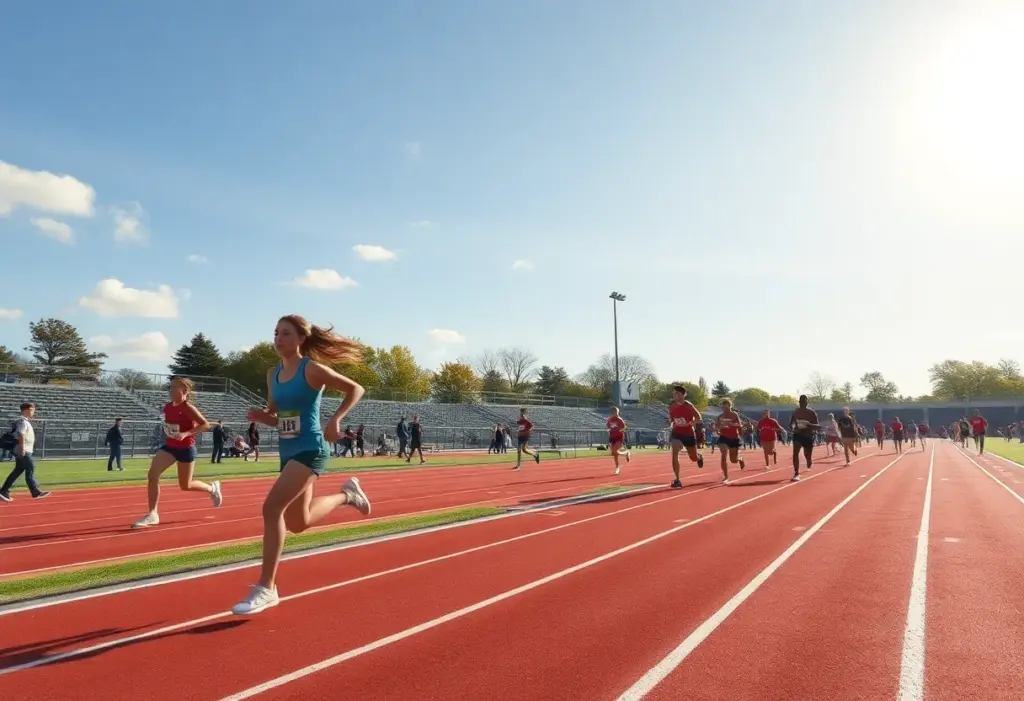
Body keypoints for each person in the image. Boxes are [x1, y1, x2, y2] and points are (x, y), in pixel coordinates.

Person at [232, 315, 371, 616]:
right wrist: (261, 416)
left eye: (285, 333)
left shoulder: (312, 369)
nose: (278, 338)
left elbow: (355, 389)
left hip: (311, 449)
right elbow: (278, 417)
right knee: (299, 522)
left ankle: (267, 587)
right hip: (289, 450)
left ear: (300, 339)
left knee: (271, 509)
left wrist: (336, 419)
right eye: (276, 333)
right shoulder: (273, 374)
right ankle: (347, 495)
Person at [132, 377, 221, 528]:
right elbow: (171, 425)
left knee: (185, 485)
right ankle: (153, 514)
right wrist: (169, 431)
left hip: (186, 448)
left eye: (174, 387)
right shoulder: (167, 407)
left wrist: (186, 433)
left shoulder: (188, 408)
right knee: (152, 475)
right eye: (170, 387)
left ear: (184, 391)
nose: (170, 390)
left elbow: (205, 425)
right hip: (170, 447)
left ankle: (212, 488)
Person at [0, 402, 50, 502]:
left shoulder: (25, 421)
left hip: (25, 450)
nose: (34, 412)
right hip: (23, 450)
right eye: (33, 409)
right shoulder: (22, 422)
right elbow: (21, 435)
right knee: (30, 468)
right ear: (27, 410)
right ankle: (35, 491)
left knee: (17, 471)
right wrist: (22, 448)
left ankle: (3, 491)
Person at [668, 385, 704, 488]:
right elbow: (671, 418)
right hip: (677, 432)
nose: (675, 395)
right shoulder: (672, 406)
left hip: (688, 433)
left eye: (678, 393)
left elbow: (698, 418)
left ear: (683, 395)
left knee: (693, 458)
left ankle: (699, 457)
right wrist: (670, 421)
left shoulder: (688, 405)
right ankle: (677, 479)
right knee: (674, 451)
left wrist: (690, 423)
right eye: (674, 393)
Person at [789, 395, 820, 482]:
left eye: (804, 402)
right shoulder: (796, 412)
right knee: (795, 453)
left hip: (808, 436)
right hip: (798, 435)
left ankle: (809, 459)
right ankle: (796, 473)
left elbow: (818, 426)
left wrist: (808, 425)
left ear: (807, 403)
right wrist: (792, 427)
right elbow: (790, 423)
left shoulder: (811, 412)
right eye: (801, 402)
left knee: (808, 455)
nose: (803, 404)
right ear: (799, 403)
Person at [714, 399, 745, 484]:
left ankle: (740, 459)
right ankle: (726, 476)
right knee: (723, 454)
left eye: (726, 405)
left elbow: (739, 425)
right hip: (723, 437)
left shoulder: (734, 415)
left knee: (733, 460)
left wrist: (732, 425)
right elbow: (716, 426)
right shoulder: (720, 416)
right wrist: (718, 427)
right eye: (723, 406)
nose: (724, 407)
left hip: (734, 438)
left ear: (730, 406)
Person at [606, 407, 631, 475]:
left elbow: (624, 427)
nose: (616, 413)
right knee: (614, 453)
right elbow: (607, 426)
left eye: (617, 412)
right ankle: (618, 466)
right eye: (614, 412)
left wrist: (619, 430)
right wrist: (609, 429)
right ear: (612, 412)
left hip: (619, 437)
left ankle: (625, 454)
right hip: (612, 437)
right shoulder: (610, 419)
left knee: (614, 451)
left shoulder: (620, 420)